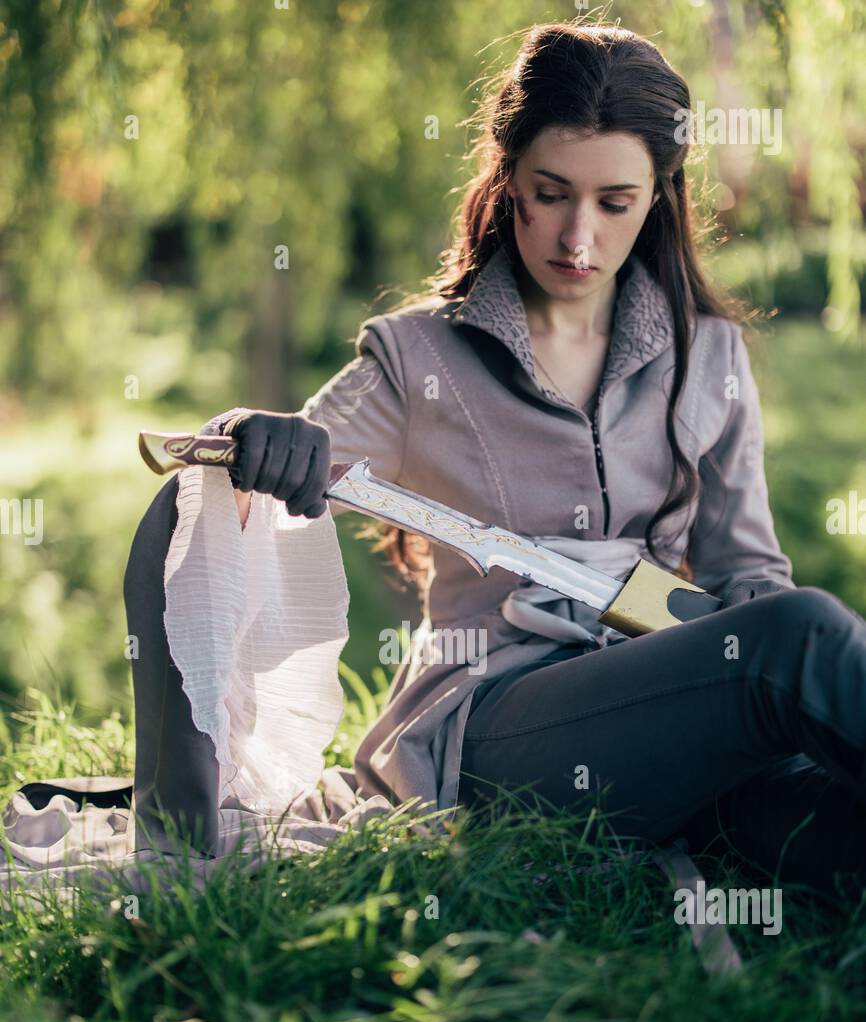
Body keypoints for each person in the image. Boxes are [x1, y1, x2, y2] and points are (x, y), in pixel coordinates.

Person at [124, 19, 866, 898]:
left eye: (614, 204)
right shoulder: (416, 359)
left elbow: (751, 582)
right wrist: (251, 434)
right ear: (506, 176)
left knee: (830, 824)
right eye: (551, 193)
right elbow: (238, 484)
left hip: (665, 708)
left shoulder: (710, 357)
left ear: (659, 196)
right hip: (494, 728)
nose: (577, 239)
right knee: (802, 637)